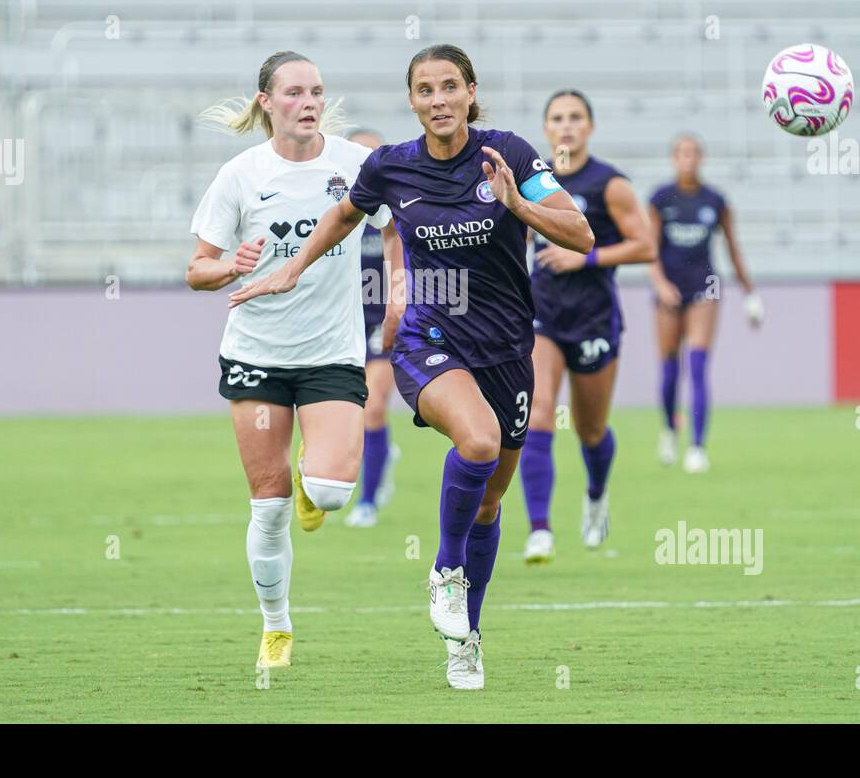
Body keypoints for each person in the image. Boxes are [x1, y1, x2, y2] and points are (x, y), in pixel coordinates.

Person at [231, 44, 593, 689]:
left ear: (470, 92)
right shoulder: (391, 167)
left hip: (508, 349)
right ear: (412, 101)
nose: (438, 100)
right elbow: (343, 215)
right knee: (477, 442)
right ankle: (444, 573)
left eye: (449, 87)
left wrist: (519, 207)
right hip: (431, 340)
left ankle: (466, 641)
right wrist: (291, 267)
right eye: (424, 90)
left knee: (489, 504)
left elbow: (579, 233)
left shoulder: (507, 155)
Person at [186, 51, 397, 671]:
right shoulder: (239, 176)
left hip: (331, 351)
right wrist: (232, 265)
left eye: (317, 92)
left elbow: (394, 226)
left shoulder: (354, 164)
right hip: (256, 355)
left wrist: (401, 285)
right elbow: (197, 268)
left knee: (329, 493)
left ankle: (316, 482)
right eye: (295, 93)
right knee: (269, 502)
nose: (309, 103)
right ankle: (275, 627)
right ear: (266, 103)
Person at [519, 90, 656, 562]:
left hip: (595, 316)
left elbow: (646, 246)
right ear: (546, 128)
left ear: (590, 127)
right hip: (542, 315)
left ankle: (596, 494)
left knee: (590, 429)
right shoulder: (532, 178)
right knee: (537, 412)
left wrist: (587, 257)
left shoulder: (609, 184)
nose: (567, 125)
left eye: (576, 117)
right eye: (557, 117)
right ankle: (540, 529)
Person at [647, 134, 761, 474]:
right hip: (670, 289)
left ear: (702, 159)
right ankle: (670, 428)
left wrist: (750, 293)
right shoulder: (660, 199)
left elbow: (732, 248)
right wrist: (660, 284)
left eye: (694, 153)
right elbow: (649, 248)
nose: (689, 159)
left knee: (697, 365)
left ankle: (697, 447)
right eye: (683, 153)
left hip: (706, 286)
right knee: (669, 369)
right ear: (674, 158)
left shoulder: (715, 200)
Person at [343, 128, 400, 529]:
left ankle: (367, 503)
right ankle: (380, 454)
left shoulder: (398, 209)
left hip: (383, 321)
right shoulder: (337, 212)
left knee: (373, 406)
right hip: (342, 323)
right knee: (348, 415)